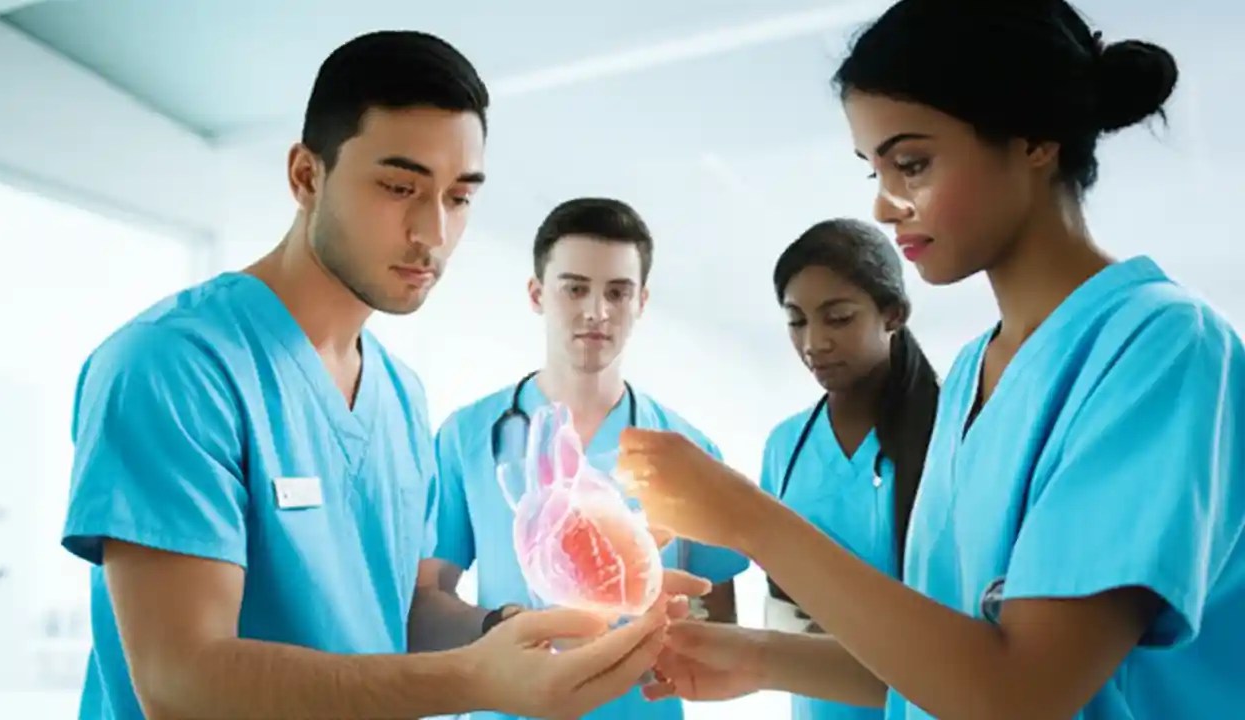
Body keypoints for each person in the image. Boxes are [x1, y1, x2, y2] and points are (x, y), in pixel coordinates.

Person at [620, 2, 1245, 719]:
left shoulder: (1163, 348)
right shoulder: (971, 378)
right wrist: (759, 659)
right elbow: (947, 669)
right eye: (874, 170)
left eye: (911, 164)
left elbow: (1021, 694)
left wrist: (749, 519)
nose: (887, 208)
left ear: (1034, 137)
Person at [59, 31, 704, 720]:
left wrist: (518, 632)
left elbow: (404, 614)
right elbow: (183, 680)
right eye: (400, 187)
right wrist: (472, 681)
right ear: (307, 176)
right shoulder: (174, 367)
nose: (432, 232)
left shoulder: (399, 395)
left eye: (459, 198)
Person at [418, 197, 750, 720]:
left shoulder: (689, 450)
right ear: (537, 294)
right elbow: (423, 607)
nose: (597, 311)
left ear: (641, 301)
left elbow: (718, 620)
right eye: (575, 288)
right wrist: (507, 628)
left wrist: (655, 639)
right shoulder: (468, 436)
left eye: (617, 292)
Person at [760, 218, 938, 720]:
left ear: (892, 314)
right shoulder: (784, 447)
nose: (814, 342)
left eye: (837, 318)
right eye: (797, 321)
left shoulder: (952, 437)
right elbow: (784, 613)